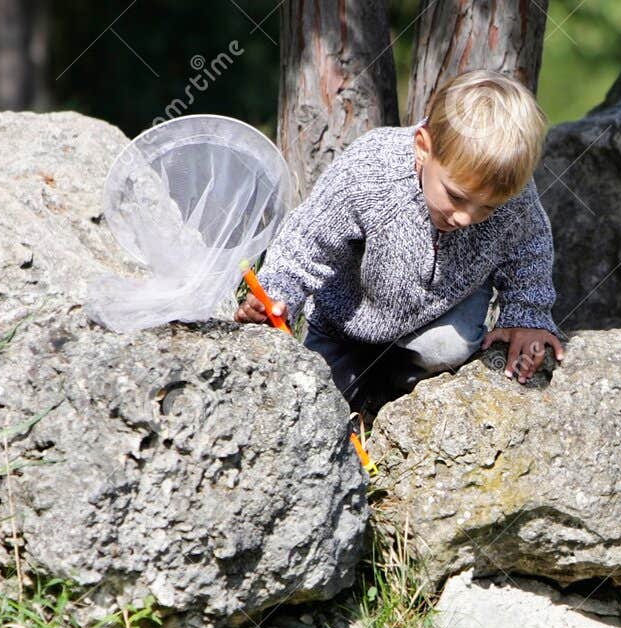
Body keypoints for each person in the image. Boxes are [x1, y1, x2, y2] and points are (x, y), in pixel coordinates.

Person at [238, 70, 566, 426]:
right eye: (456, 197)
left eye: (486, 208)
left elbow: (528, 245)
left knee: (447, 349)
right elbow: (308, 241)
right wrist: (278, 293)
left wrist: (527, 315)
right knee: (316, 405)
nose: (465, 217)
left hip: (442, 311)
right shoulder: (371, 171)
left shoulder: (510, 197)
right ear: (423, 147)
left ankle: (395, 401)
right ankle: (360, 394)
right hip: (347, 320)